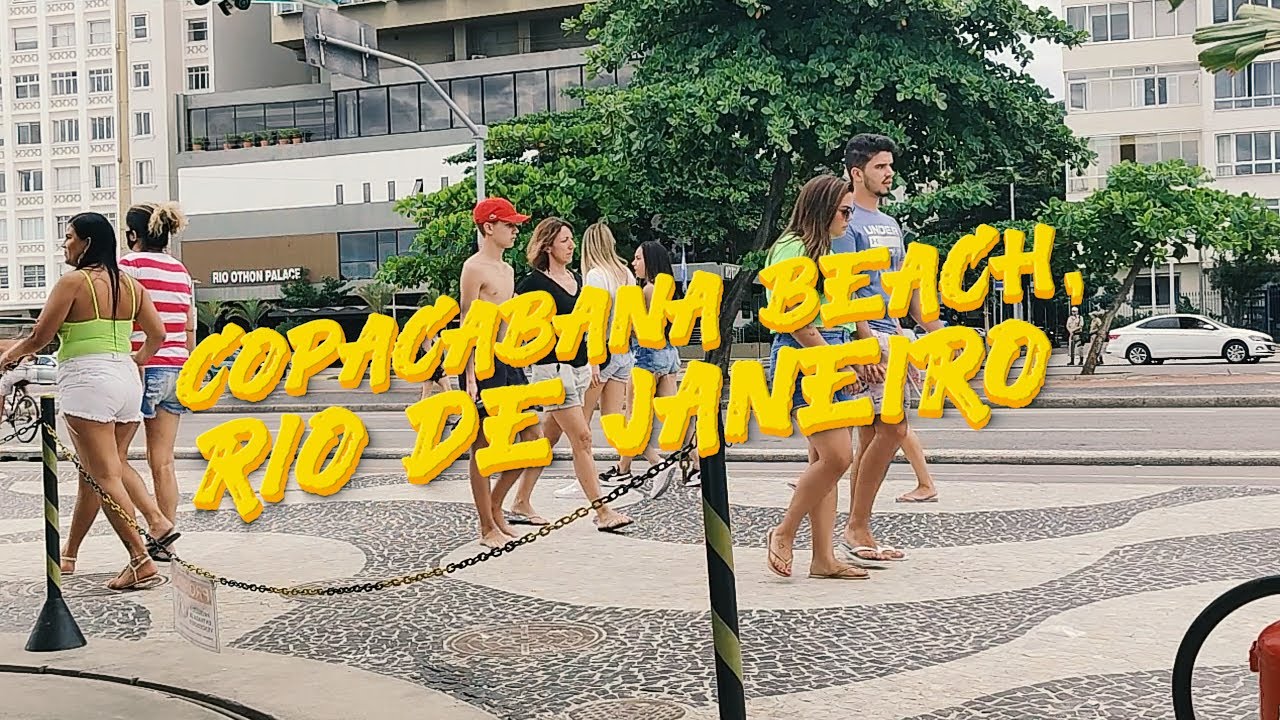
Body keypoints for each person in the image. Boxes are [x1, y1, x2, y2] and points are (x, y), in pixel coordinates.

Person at [0, 212, 178, 591]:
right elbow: (158, 334)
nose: (65, 244)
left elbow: (40, 335)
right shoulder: (132, 285)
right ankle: (73, 552)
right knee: (98, 474)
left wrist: (8, 357)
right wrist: (136, 360)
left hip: (87, 381)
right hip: (126, 380)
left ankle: (141, 558)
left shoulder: (73, 282)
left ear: (87, 243)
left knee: (105, 476)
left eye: (69, 237)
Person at [836, 133, 944, 566]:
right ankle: (855, 526)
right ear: (856, 172)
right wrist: (861, 342)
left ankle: (857, 527)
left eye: (890, 166)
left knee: (872, 436)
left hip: (893, 335)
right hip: (868, 338)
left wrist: (936, 332)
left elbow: (904, 288)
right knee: (894, 429)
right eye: (880, 167)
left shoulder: (891, 224)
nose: (889, 174)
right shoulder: (847, 222)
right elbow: (845, 288)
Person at [764, 174, 869, 580]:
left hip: (822, 349)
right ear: (823, 208)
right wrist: (839, 362)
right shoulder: (793, 249)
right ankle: (784, 531)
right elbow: (797, 321)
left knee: (826, 461)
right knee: (838, 457)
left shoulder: (818, 248)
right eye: (844, 211)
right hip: (806, 354)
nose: (848, 219)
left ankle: (823, 557)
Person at [509, 218, 633, 532]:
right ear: (548, 245)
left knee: (547, 439)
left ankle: (520, 501)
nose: (571, 245)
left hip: (579, 367)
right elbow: (514, 327)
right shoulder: (531, 284)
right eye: (565, 240)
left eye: (572, 239)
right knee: (583, 437)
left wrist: (593, 360)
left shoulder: (577, 279)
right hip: (552, 370)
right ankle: (602, 511)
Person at [461, 197, 544, 549]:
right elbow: (466, 322)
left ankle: (496, 506)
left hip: (510, 362)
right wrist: (468, 374)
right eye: (508, 225)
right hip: (483, 363)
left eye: (515, 225)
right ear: (488, 227)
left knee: (533, 437)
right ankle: (486, 526)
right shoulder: (473, 268)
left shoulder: (508, 271)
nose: (515, 231)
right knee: (482, 446)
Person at [617, 241, 701, 488]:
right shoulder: (667, 288)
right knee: (675, 415)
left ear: (650, 261)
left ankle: (650, 465)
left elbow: (640, 328)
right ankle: (696, 465)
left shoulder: (648, 290)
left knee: (633, 417)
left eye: (638, 258)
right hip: (668, 354)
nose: (634, 263)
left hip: (647, 356)